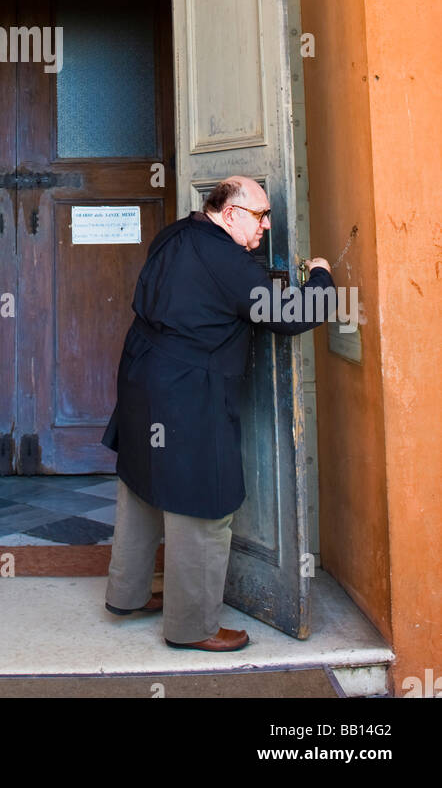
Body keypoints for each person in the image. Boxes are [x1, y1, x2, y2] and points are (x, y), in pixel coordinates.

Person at [101, 176, 334, 651]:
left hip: (142, 376)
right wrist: (324, 280)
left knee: (143, 484)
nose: (267, 225)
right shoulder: (229, 261)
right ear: (229, 214)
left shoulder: (176, 232)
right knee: (204, 505)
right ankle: (193, 627)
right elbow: (287, 317)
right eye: (261, 215)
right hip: (189, 390)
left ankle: (127, 594)